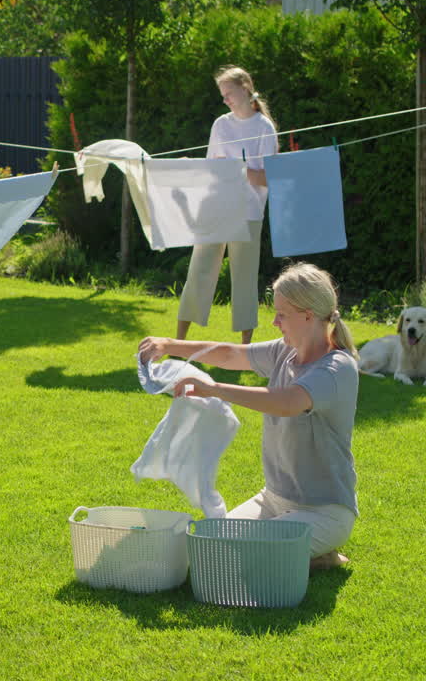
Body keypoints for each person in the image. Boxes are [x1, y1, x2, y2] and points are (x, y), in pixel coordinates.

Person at [139, 262, 359, 571]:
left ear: (308, 316)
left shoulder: (337, 369)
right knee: (209, 547)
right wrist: (170, 345)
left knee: (237, 558)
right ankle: (307, 552)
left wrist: (214, 388)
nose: (274, 321)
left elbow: (288, 402)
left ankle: (316, 551)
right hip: (273, 499)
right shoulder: (286, 351)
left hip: (326, 512)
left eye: (282, 314)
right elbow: (231, 354)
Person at [177, 65, 279, 344]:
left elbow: (269, 178)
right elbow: (213, 167)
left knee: (244, 279)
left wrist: (238, 169)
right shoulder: (221, 125)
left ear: (245, 88)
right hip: (216, 207)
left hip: (248, 213)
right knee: (198, 272)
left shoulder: (264, 128)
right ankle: (179, 343)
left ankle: (245, 348)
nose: (225, 100)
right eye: (222, 95)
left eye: (228, 93)